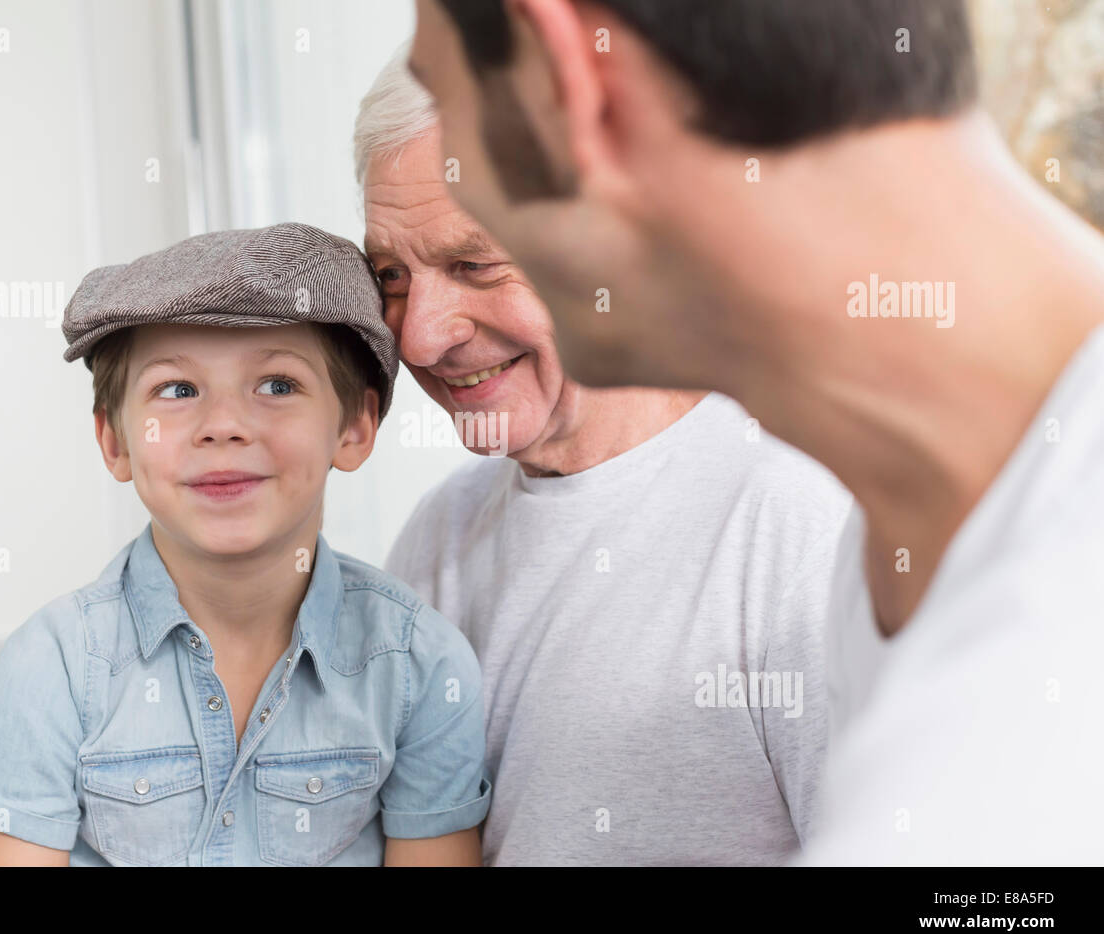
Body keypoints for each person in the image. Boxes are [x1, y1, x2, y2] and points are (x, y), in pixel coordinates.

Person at [404, 0, 1104, 862]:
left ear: (568, 80)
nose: (420, 337)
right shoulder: (900, 536)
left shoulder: (1046, 660)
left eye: (438, 94)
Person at [356, 46, 851, 865]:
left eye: (474, 263)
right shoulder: (436, 540)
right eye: (391, 275)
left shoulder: (798, 525)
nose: (419, 334)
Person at [0, 223, 491, 866]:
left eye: (277, 385)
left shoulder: (421, 665)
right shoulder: (54, 664)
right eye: (177, 391)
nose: (224, 426)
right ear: (116, 442)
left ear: (355, 426)